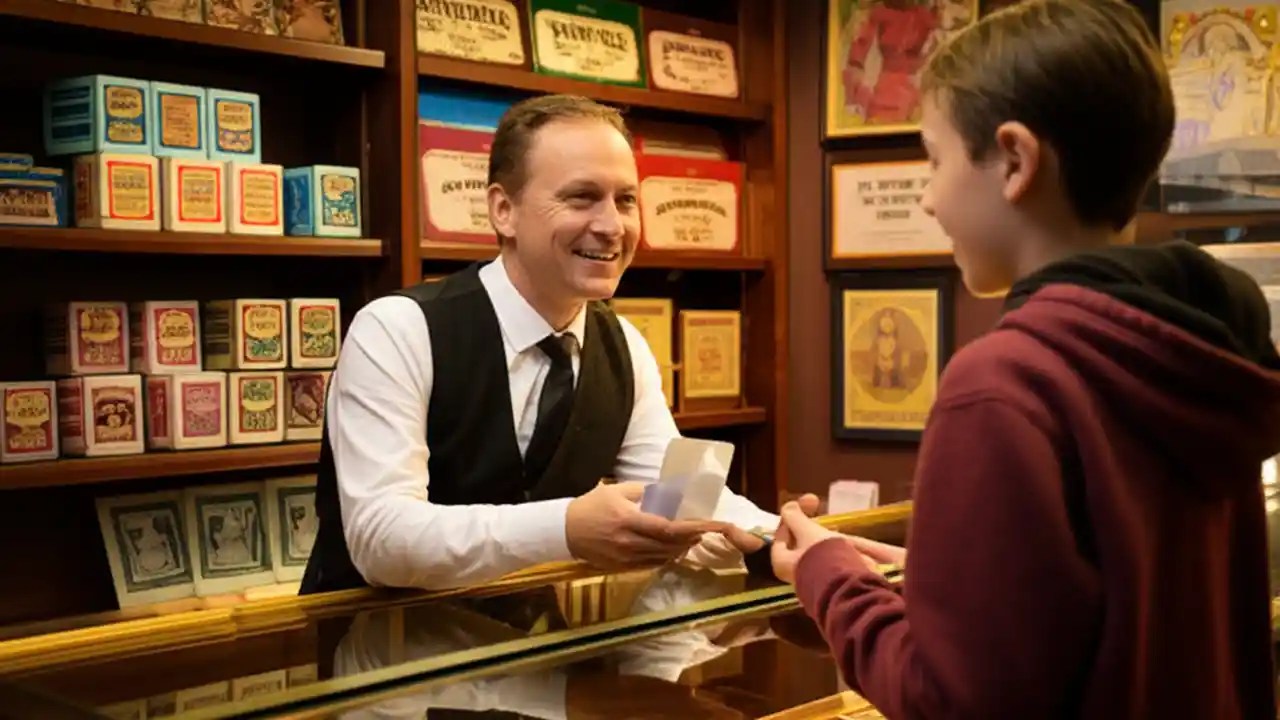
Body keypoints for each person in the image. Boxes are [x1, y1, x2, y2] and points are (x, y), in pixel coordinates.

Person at [771, 1, 1280, 718]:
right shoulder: (1210, 353)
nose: (927, 199)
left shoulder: (1004, 384)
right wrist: (941, 584)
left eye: (935, 159)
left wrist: (828, 576)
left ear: (1013, 160)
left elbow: (952, 701)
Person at [300, 94, 776, 595]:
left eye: (626, 199)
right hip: (367, 655)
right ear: (503, 210)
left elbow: (681, 503)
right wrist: (566, 528)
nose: (612, 226)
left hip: (524, 656)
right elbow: (381, 540)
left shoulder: (625, 346)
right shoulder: (396, 329)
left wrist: (786, 540)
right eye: (581, 197)